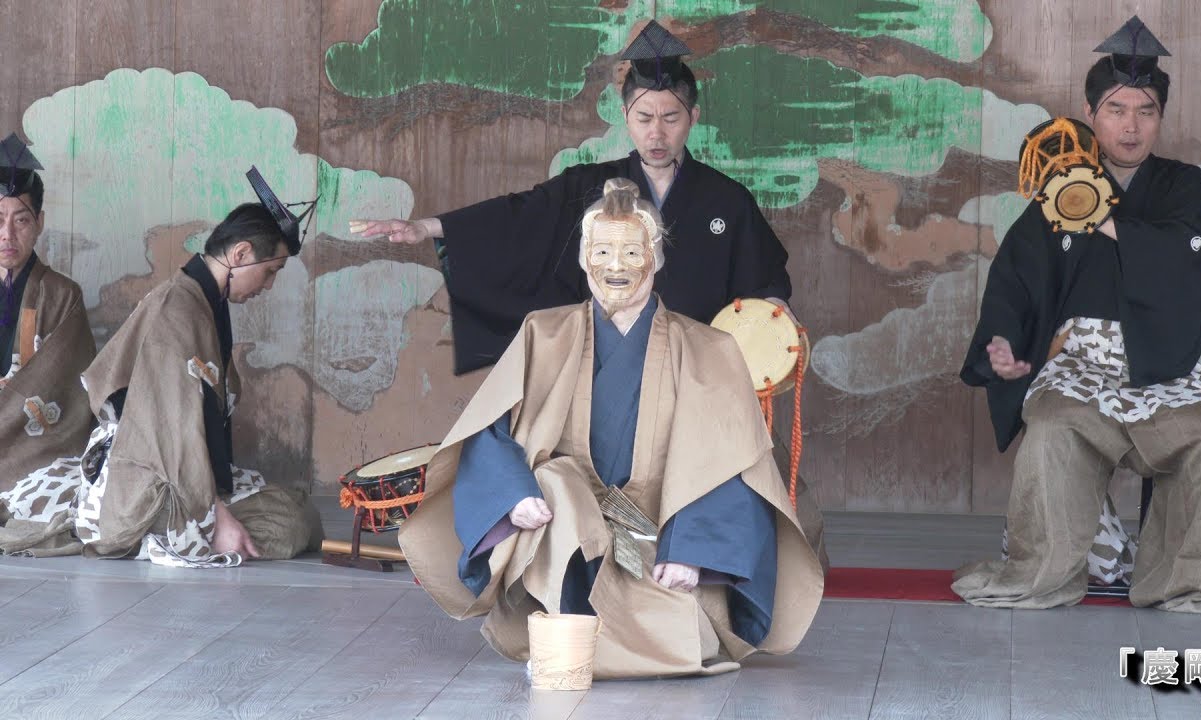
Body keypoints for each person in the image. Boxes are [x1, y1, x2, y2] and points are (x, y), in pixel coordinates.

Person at [398, 178, 823, 678]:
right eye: (602, 250)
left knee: (680, 636)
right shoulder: (543, 333)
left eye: (630, 251)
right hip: (563, 537)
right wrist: (513, 495)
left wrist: (694, 550)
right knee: (556, 482)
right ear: (582, 258)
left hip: (660, 542)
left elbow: (731, 458)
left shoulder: (710, 349)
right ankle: (567, 626)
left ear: (657, 257)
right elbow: (491, 429)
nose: (615, 266)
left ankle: (596, 637)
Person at [954, 16, 1201, 613]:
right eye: (1116, 109)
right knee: (1053, 428)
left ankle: (1191, 583)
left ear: (1160, 118)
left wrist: (1102, 216)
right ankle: (1044, 569)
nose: (1131, 124)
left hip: (1161, 367)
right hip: (1081, 364)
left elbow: (1181, 255)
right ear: (1092, 112)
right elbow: (1016, 277)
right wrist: (1005, 344)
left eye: (1145, 110)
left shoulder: (1182, 185)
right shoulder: (1055, 187)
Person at [349, 20, 790, 375]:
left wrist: (774, 311)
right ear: (625, 117)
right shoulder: (589, 186)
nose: (657, 133)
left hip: (694, 373)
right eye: (644, 118)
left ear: (692, 116)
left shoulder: (727, 200)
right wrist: (427, 227)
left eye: (671, 118)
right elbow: (519, 217)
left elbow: (764, 281)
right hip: (604, 366)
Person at [74, 168, 322, 567]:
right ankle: (171, 533)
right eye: (271, 271)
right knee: (289, 526)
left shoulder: (204, 300)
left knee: (301, 511)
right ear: (240, 254)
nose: (269, 285)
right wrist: (215, 513)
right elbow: (167, 425)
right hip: (148, 472)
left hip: (180, 464)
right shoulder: (179, 306)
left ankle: (194, 523)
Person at [0, 133, 96, 555]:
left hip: (33, 442)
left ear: (39, 222)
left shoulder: (62, 294)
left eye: (20, 219)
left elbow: (66, 396)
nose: (7, 233)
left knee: (65, 495)